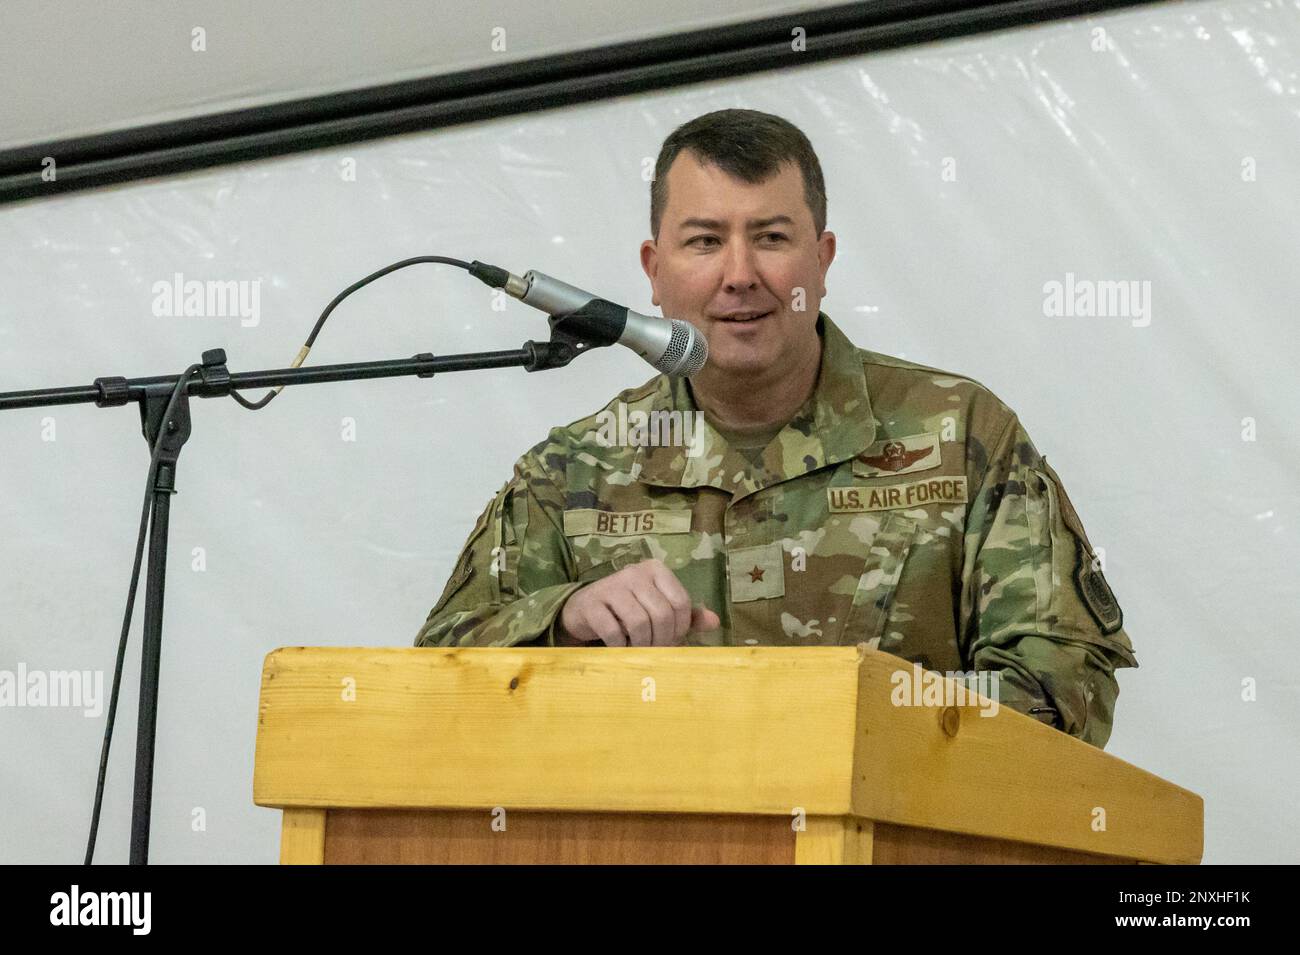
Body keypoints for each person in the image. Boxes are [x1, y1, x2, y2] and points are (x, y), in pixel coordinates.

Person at [414, 108, 1137, 750]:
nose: (739, 274)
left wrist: (855, 733)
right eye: (704, 241)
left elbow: (1064, 685)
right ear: (654, 270)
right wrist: (563, 618)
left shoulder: (960, 432)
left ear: (820, 262)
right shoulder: (570, 471)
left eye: (771, 237)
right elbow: (432, 686)